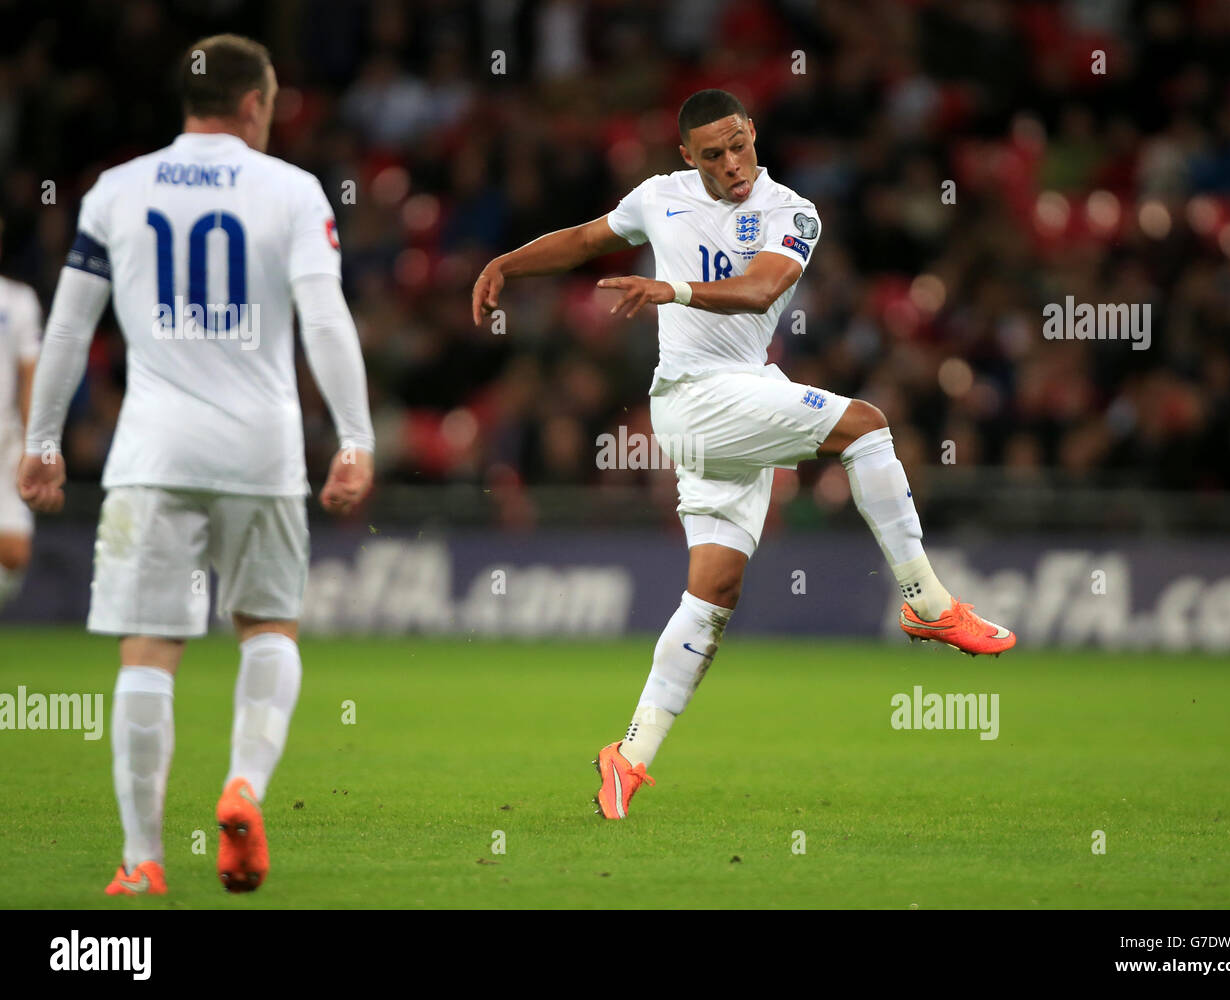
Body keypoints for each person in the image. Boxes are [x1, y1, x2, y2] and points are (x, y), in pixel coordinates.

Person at [472, 88, 1015, 820]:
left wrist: (672, 288)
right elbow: (585, 239)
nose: (731, 163)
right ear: (686, 158)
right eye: (712, 154)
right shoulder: (659, 197)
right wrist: (507, 262)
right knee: (866, 425)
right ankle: (926, 603)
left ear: (753, 132)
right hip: (695, 398)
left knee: (713, 594)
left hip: (738, 397)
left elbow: (762, 291)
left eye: (738, 144)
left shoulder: (793, 210)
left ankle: (627, 758)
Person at [18, 34, 375, 891]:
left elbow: (68, 328)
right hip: (261, 451)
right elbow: (324, 320)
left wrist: (38, 443)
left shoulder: (117, 189)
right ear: (255, 104)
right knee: (267, 626)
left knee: (149, 649)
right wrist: (355, 437)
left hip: (152, 451)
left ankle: (142, 863)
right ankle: (243, 784)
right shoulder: (290, 190)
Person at [0, 215, 41, 614]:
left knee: (14, 552)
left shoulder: (18, 300)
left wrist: (36, 444)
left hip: (5, 440)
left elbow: (29, 376)